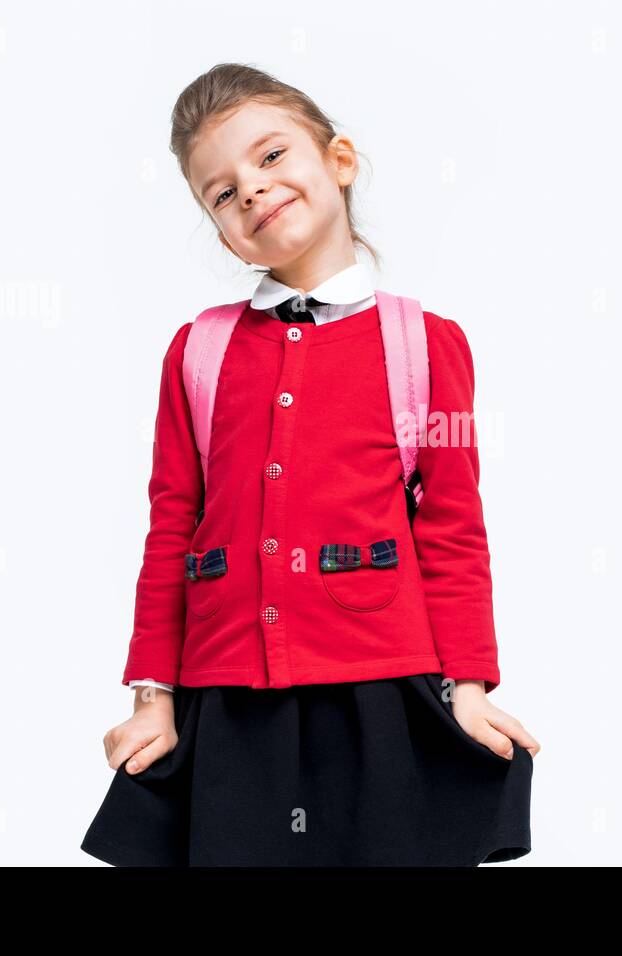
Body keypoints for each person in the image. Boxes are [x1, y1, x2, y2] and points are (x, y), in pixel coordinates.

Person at [80, 63, 540, 867]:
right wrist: (153, 699)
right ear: (219, 228)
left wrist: (469, 685)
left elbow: (455, 525)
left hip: (382, 690)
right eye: (220, 193)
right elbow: (170, 531)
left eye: (270, 157)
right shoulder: (197, 353)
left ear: (339, 160)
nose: (250, 191)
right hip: (225, 700)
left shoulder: (431, 347)